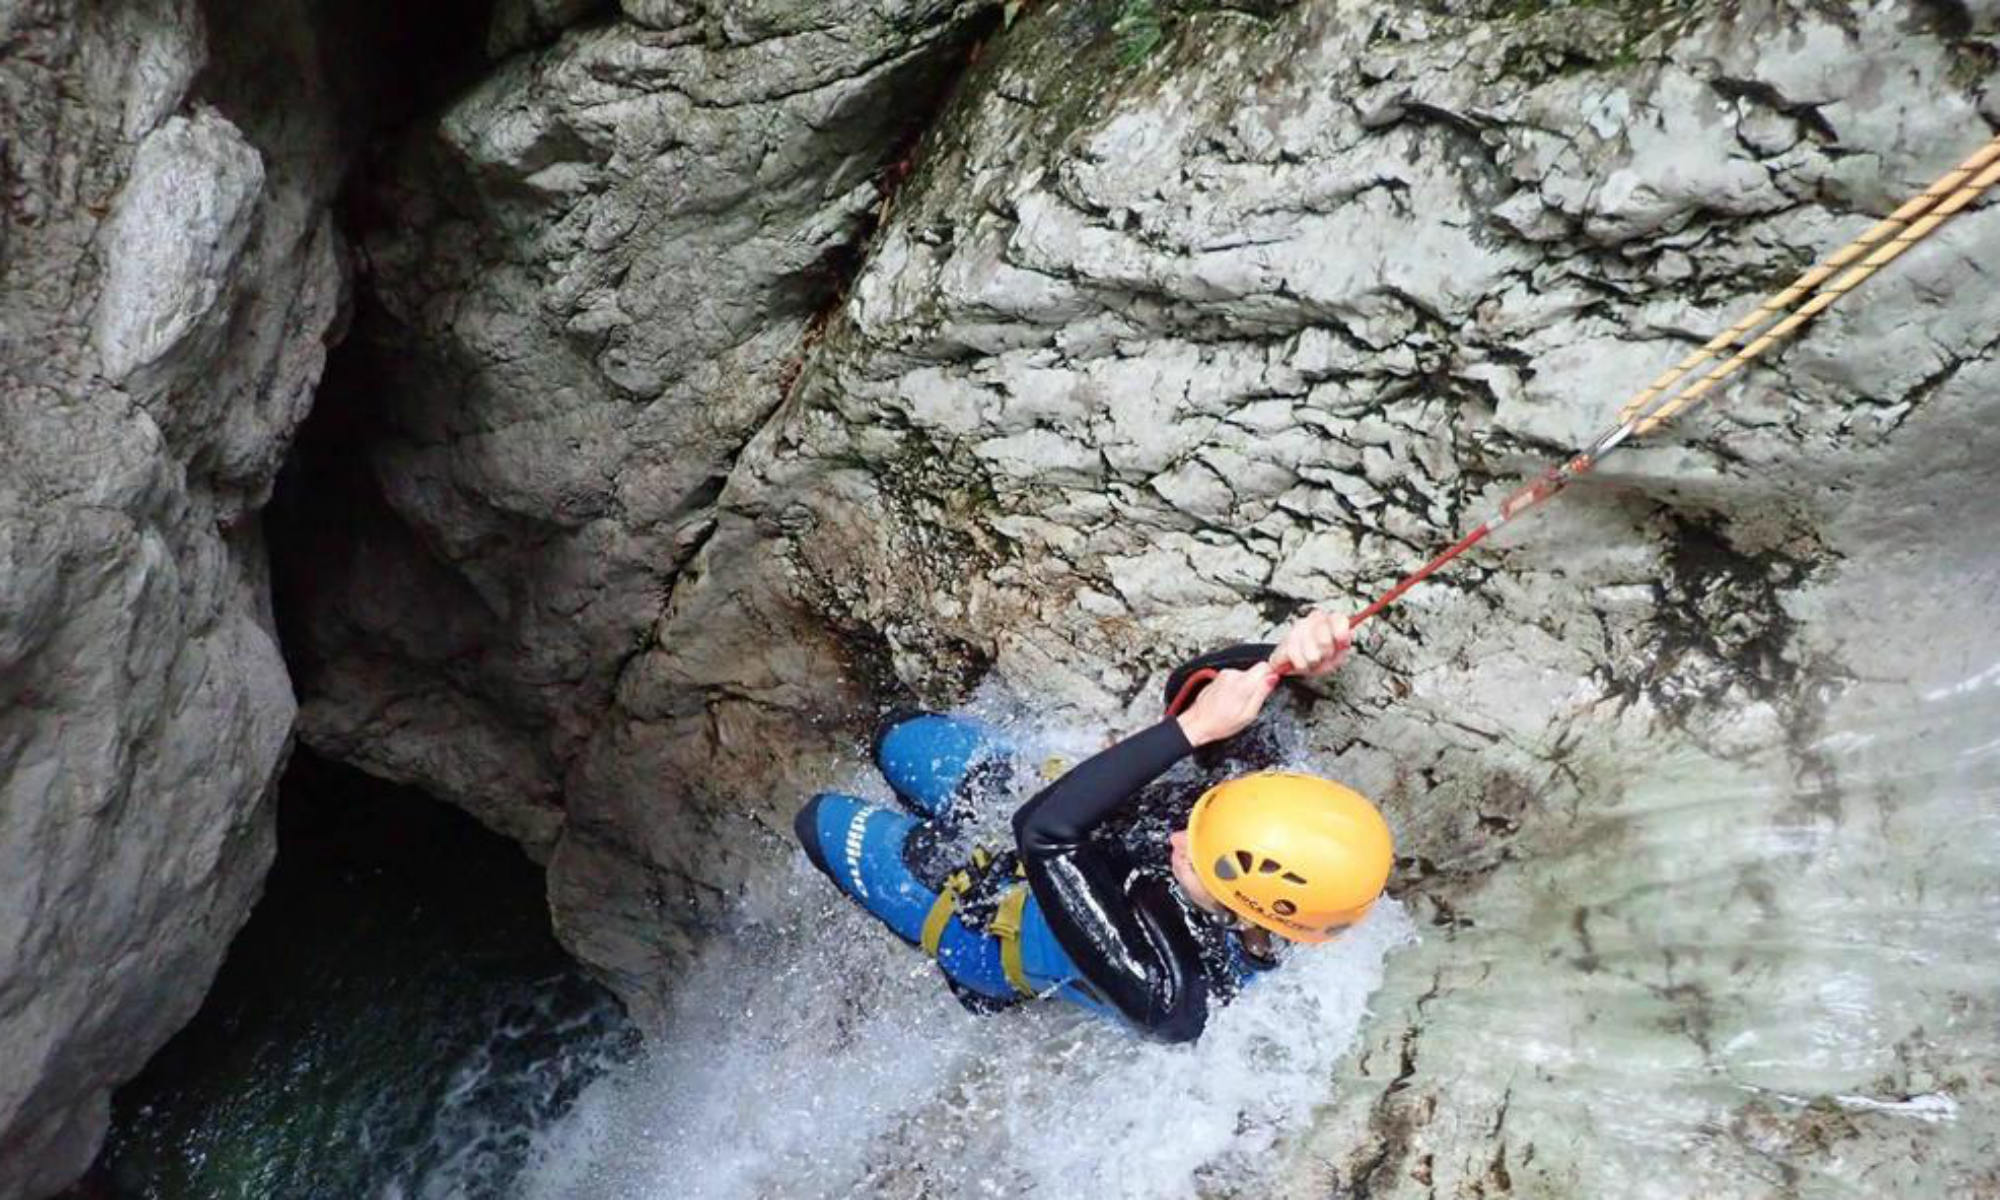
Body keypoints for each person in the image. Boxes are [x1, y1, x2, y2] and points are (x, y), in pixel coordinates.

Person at [793, 611, 1394, 1042]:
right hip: (1055, 805)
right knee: (896, 734)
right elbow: (1194, 688)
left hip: (992, 918)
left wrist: (1188, 736)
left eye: (1199, 855)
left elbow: (1044, 832)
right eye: (1204, 821)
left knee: (820, 819)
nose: (1180, 837)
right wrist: (1284, 660)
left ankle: (974, 987)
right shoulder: (1264, 821)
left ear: (1245, 914)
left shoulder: (1168, 993)